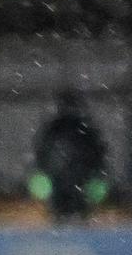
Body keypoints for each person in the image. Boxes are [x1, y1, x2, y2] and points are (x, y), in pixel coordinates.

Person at [30, 89, 109, 221]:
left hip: (65, 180)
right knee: (75, 212)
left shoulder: (55, 128)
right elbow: (99, 153)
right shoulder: (84, 129)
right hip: (74, 180)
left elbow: (41, 153)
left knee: (63, 212)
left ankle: (65, 219)